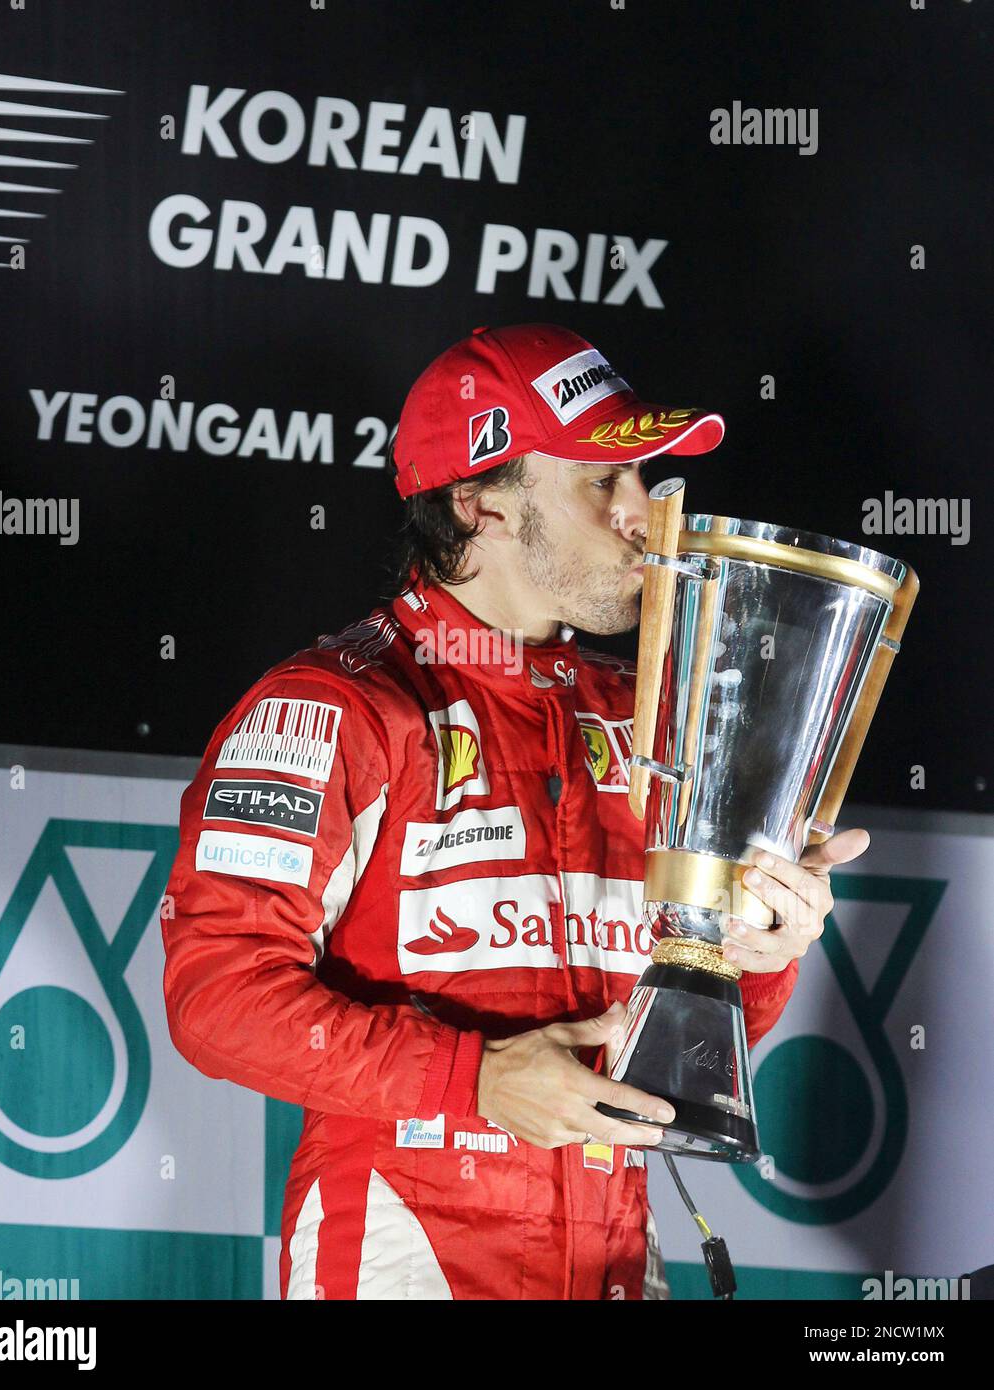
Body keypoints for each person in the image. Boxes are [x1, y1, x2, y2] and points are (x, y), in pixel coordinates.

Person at [161, 324, 868, 1300]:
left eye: (645, 477)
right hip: (404, 1250)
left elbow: (692, 1034)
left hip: (619, 1252)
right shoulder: (335, 706)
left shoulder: (644, 713)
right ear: (476, 501)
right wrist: (474, 1079)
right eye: (599, 482)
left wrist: (760, 949)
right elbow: (216, 1001)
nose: (643, 514)